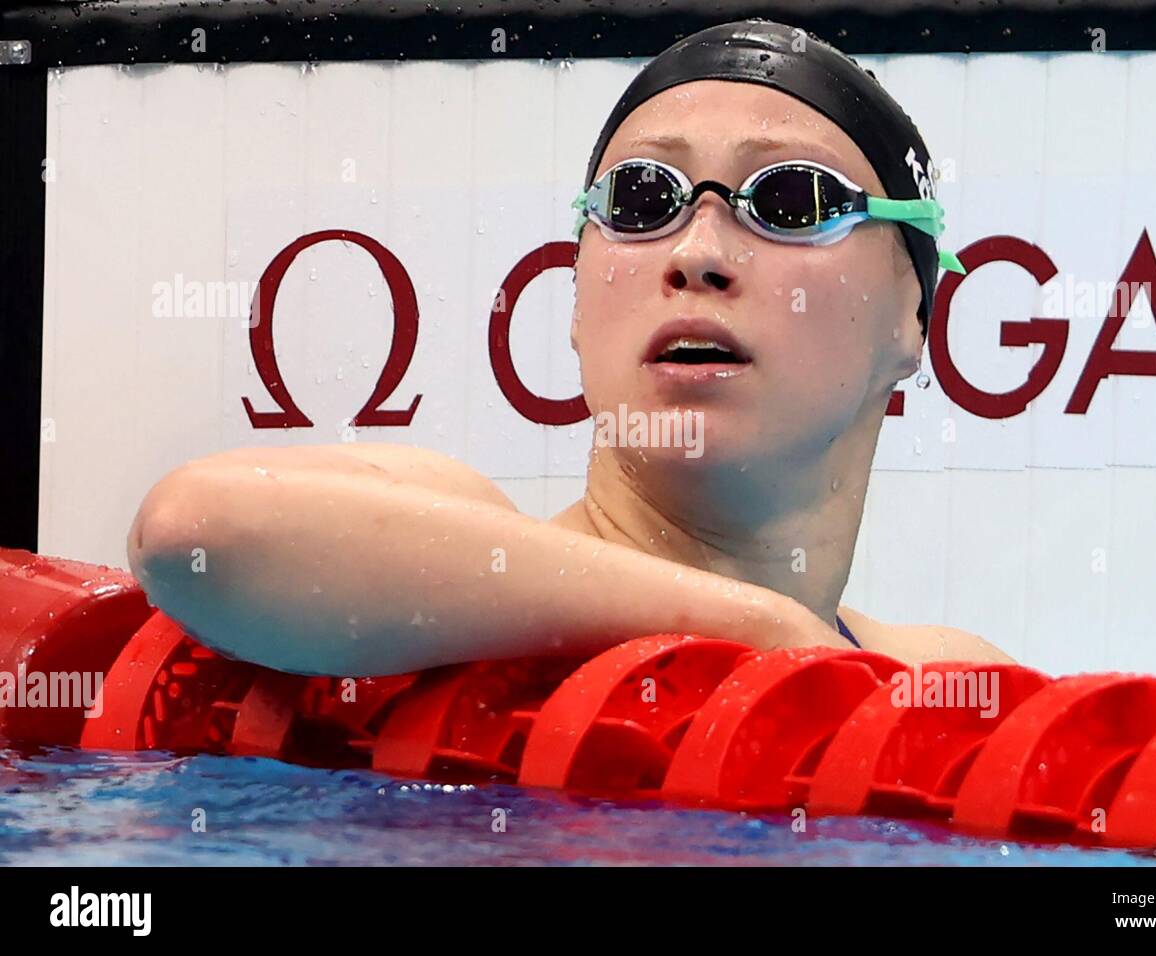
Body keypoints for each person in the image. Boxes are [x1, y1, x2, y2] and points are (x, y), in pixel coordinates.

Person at [127, 19, 1013, 676]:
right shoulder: (450, 546)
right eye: (641, 198)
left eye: (791, 202)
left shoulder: (943, 683)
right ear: (580, 302)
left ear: (915, 316)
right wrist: (760, 633)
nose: (697, 254)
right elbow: (194, 535)